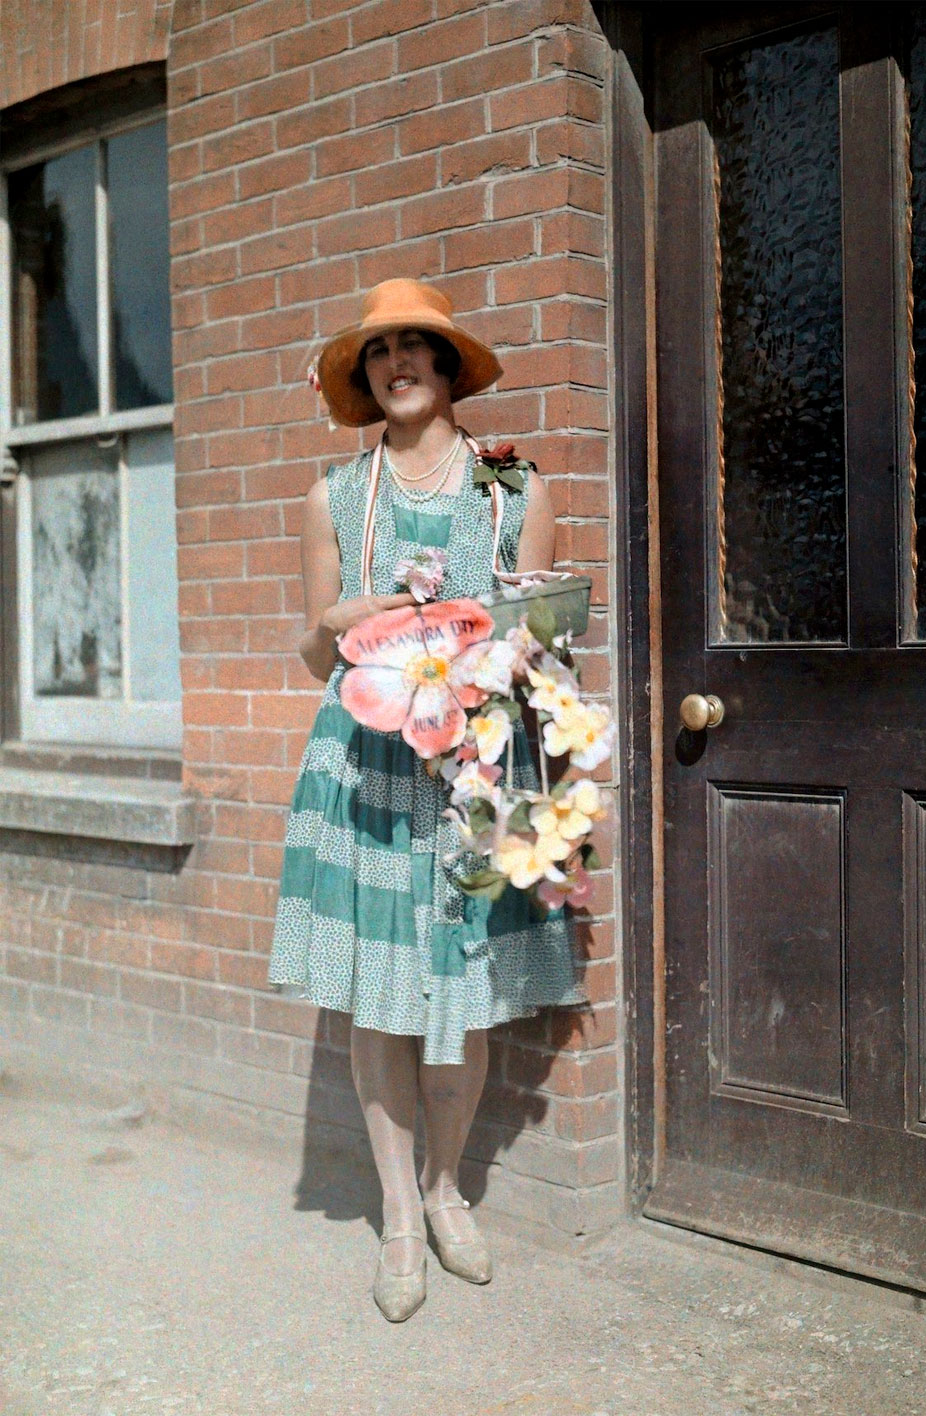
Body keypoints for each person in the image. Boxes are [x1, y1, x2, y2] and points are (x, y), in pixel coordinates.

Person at [267, 278, 581, 1321]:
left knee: (464, 994)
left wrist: (511, 657)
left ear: (450, 369)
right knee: (378, 1000)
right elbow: (314, 643)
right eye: (379, 352)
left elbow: (539, 640)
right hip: (364, 764)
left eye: (419, 347)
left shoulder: (516, 488)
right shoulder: (331, 496)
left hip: (477, 764)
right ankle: (398, 1213)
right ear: (365, 379)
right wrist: (345, 615)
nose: (398, 363)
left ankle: (447, 1188)